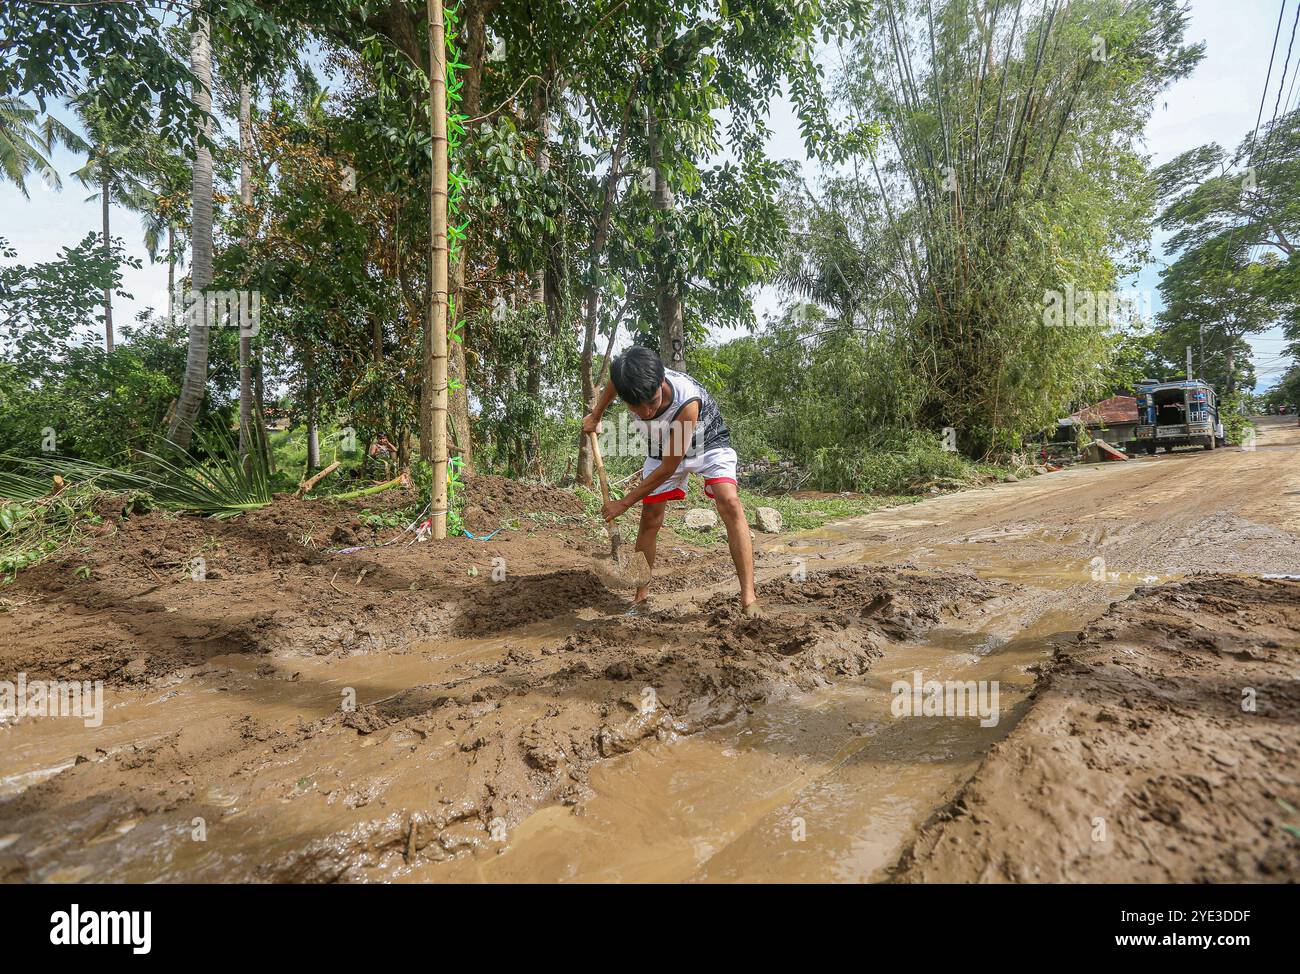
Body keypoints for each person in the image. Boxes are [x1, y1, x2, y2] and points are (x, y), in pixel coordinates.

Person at [582, 345, 758, 616]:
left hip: (706, 442)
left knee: (730, 502)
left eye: (652, 403)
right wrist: (597, 415)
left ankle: (749, 599)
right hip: (661, 445)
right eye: (637, 409)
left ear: (661, 381)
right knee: (650, 516)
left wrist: (624, 503)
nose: (647, 413)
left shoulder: (687, 402)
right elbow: (615, 383)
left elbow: (668, 468)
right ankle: (640, 598)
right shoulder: (628, 380)